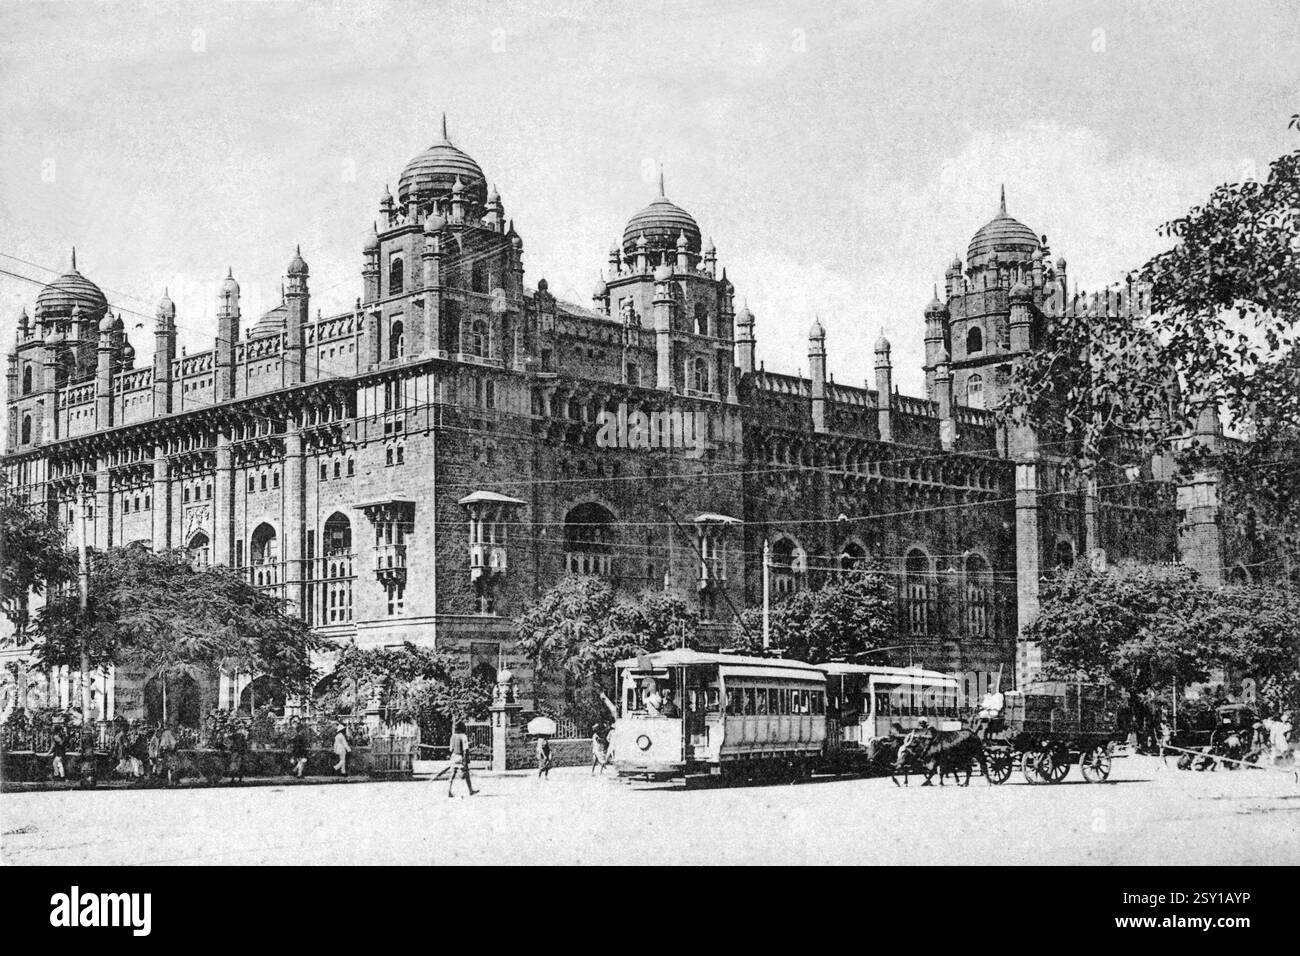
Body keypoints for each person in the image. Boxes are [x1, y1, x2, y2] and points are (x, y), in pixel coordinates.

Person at [447, 721, 476, 797]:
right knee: (466, 775)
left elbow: (451, 749)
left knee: (452, 774)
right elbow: (465, 749)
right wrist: (465, 760)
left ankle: (448, 791)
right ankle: (470, 791)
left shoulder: (452, 736)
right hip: (460, 757)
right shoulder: (463, 736)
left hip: (454, 756)